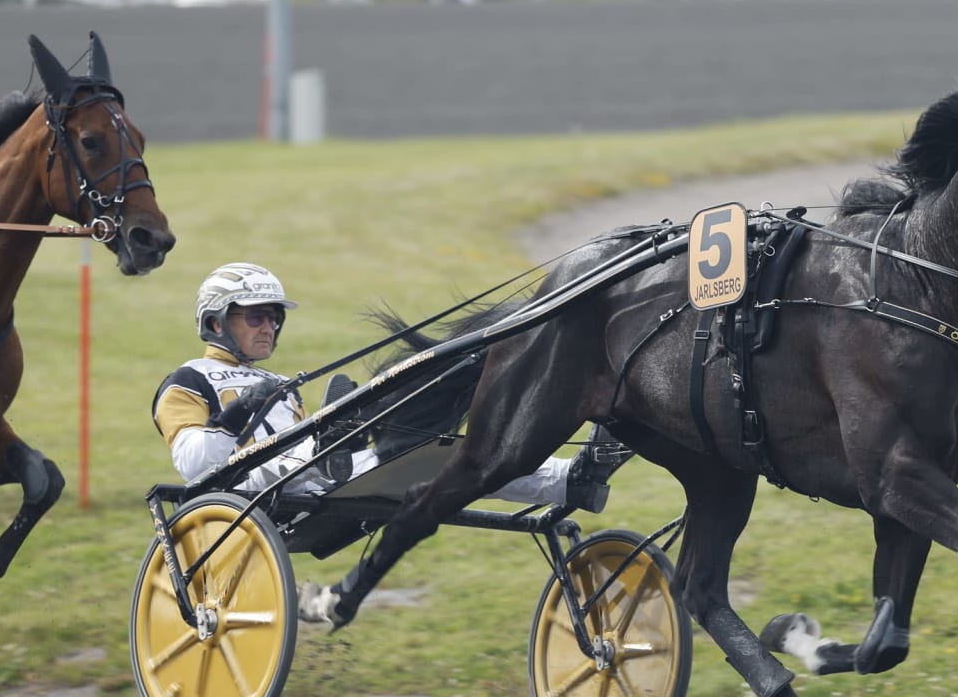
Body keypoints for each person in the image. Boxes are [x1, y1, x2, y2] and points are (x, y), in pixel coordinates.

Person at [152, 262, 626, 622]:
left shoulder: (281, 382)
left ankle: (568, 479)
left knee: (450, 462)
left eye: (273, 319)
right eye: (255, 318)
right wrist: (239, 410)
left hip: (318, 482)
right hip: (250, 493)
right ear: (216, 322)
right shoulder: (189, 379)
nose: (268, 328)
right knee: (335, 445)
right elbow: (195, 465)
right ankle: (331, 441)